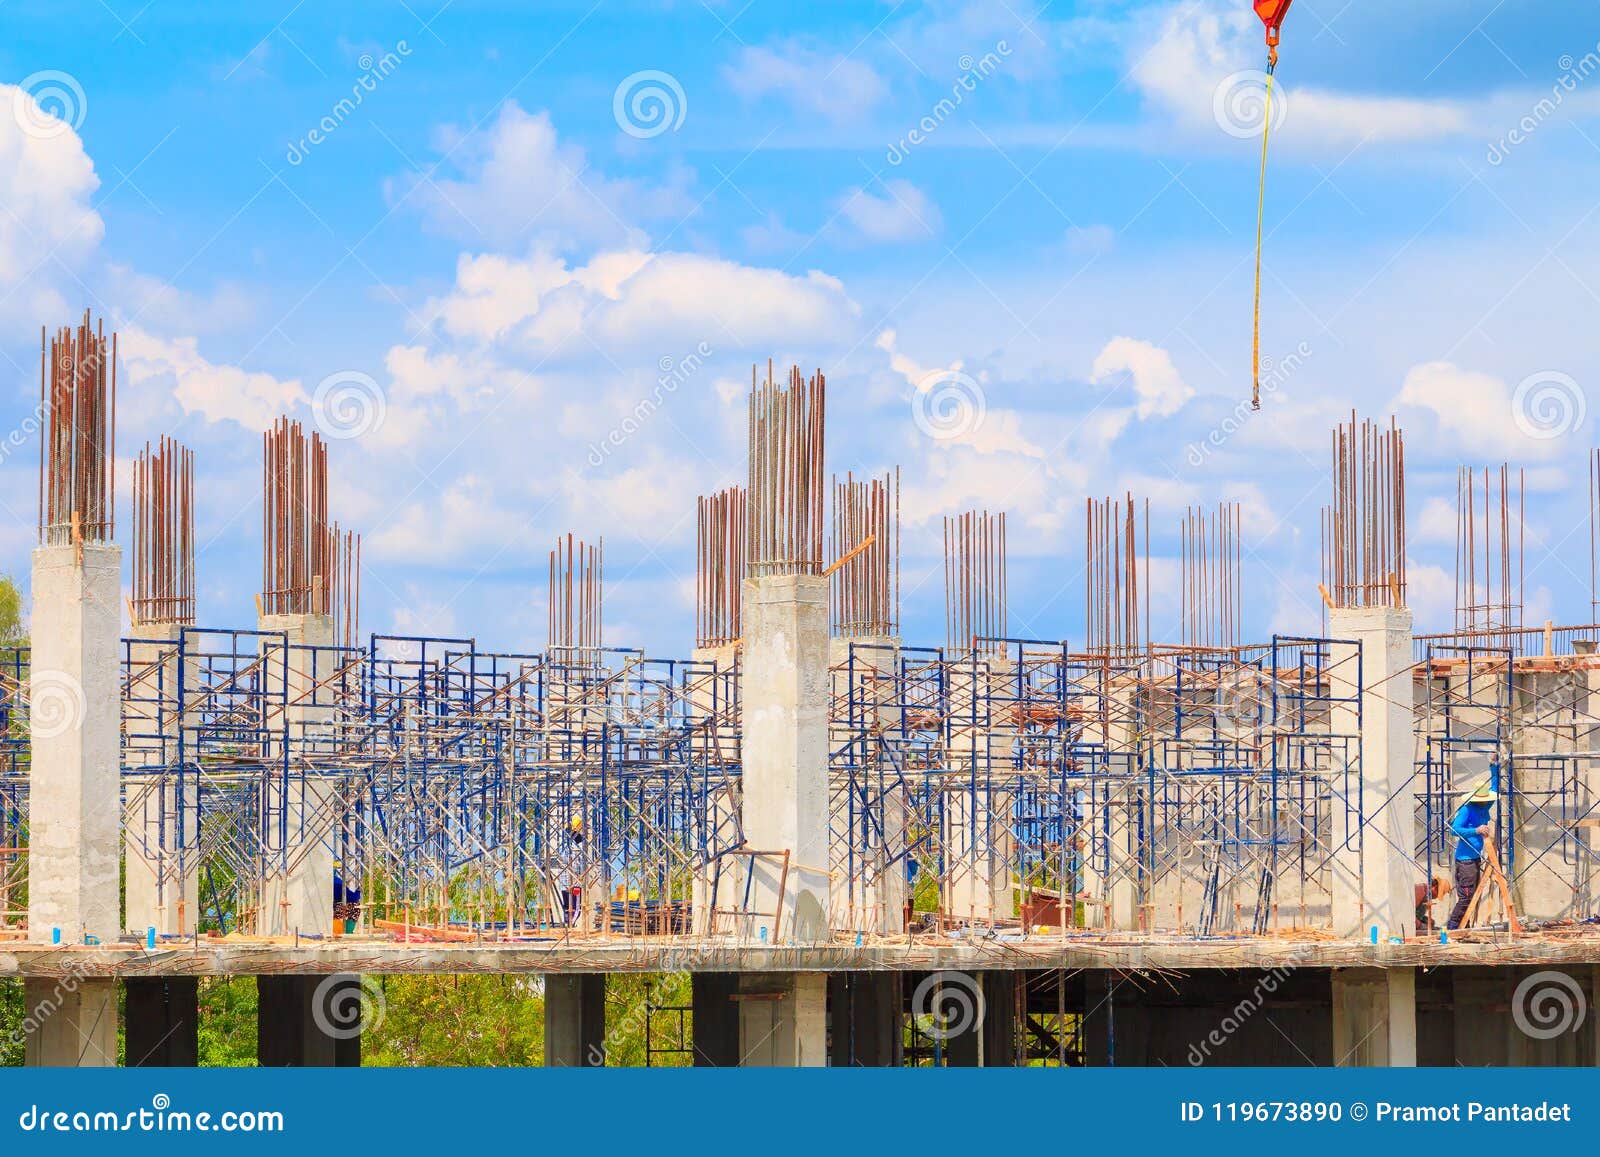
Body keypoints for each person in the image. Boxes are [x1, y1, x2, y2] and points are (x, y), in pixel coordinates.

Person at [1446, 781, 1496, 930]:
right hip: (1465, 860)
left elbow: (1495, 788)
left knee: (1473, 895)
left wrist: (1494, 770)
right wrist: (1476, 830)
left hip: (1475, 858)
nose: (1485, 802)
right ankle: (1453, 927)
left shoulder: (1485, 806)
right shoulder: (1466, 810)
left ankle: (1464, 925)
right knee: (1466, 896)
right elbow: (1454, 830)